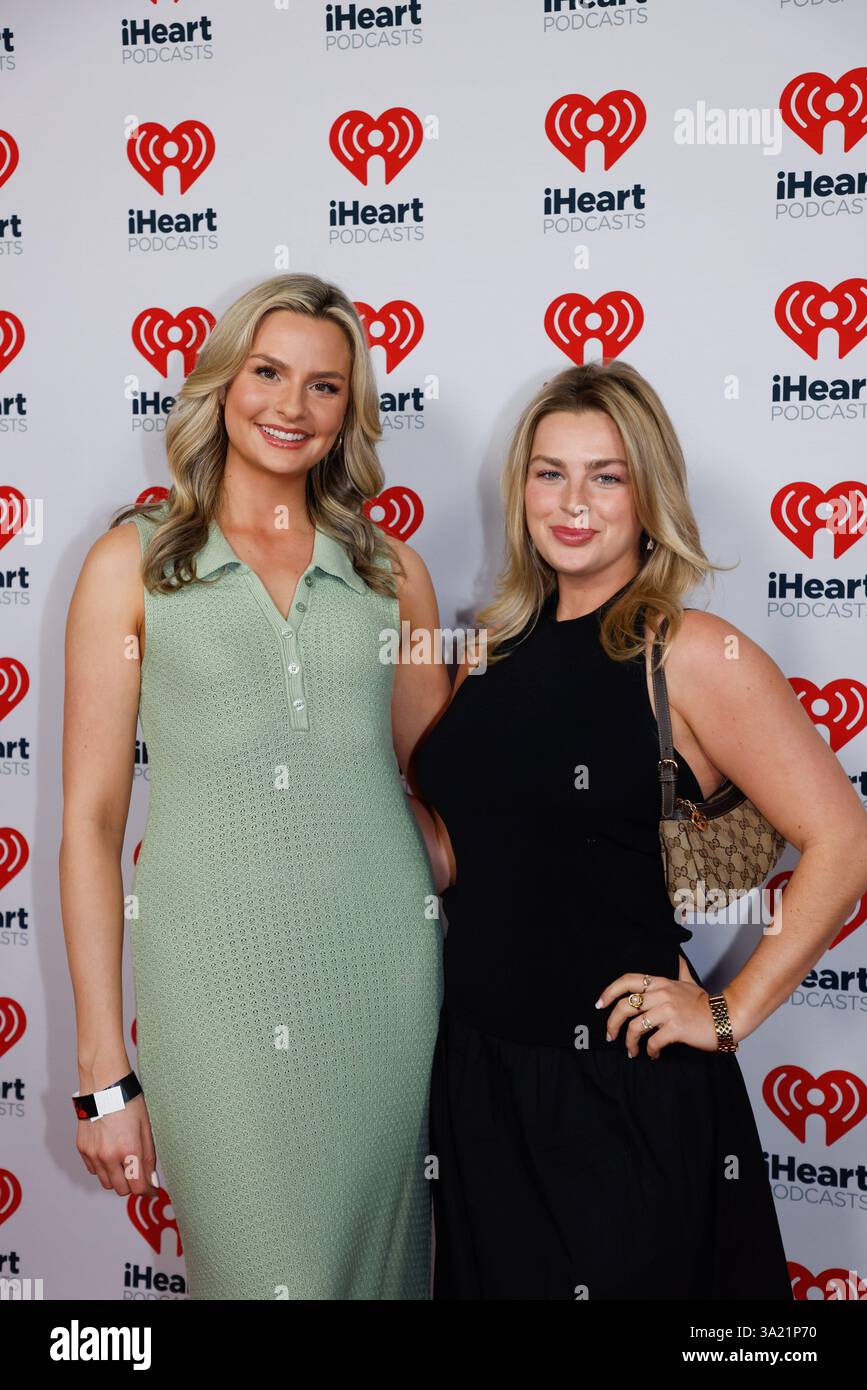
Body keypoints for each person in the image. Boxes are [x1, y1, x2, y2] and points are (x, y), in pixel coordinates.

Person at [408, 358, 867, 1300]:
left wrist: (726, 1013)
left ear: (647, 493)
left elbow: (844, 841)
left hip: (620, 1090)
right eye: (550, 472)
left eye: (605, 476)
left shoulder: (694, 654)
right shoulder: (490, 645)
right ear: (521, 488)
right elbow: (466, 851)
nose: (572, 502)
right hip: (478, 1076)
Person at [59, 273, 450, 1299]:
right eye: (268, 372)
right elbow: (92, 824)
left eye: (325, 385)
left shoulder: (391, 573)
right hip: (215, 995)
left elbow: (451, 792)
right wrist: (105, 1073)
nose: (291, 404)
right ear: (222, 386)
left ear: (349, 411)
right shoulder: (132, 564)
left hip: (386, 981)